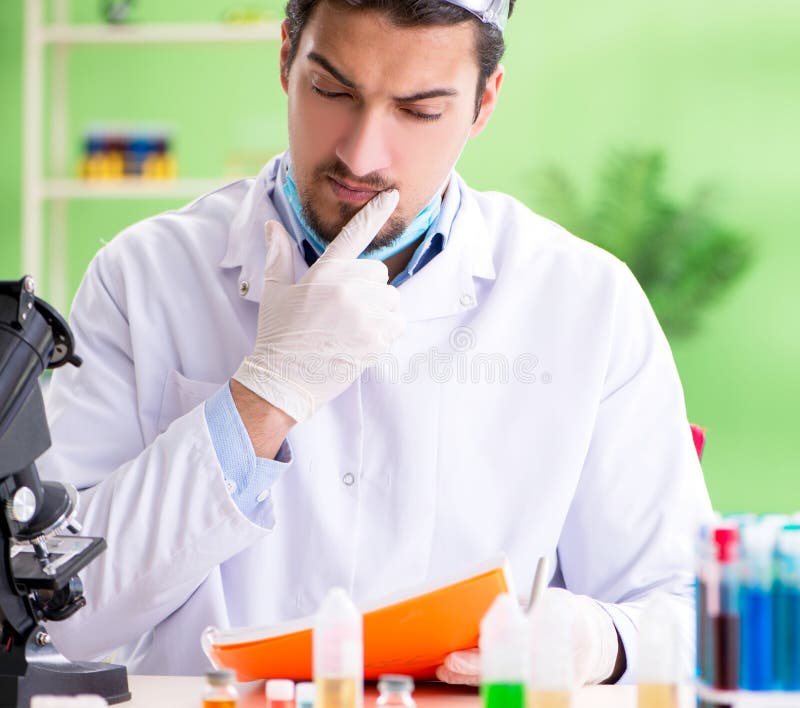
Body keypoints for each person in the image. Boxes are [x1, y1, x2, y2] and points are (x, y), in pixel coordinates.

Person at [39, 0, 712, 684]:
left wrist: (601, 642)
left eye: (419, 110)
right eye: (332, 91)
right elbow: (64, 609)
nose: (360, 154)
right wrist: (264, 394)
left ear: (484, 103)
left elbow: (684, 612)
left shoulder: (586, 300)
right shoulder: (145, 276)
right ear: (285, 59)